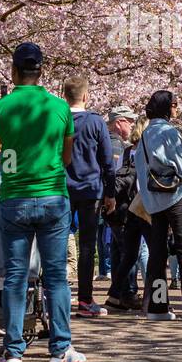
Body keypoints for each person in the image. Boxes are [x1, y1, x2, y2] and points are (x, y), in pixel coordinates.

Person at [0, 42, 86, 362]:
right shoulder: (60, 108)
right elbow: (66, 157)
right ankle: (61, 348)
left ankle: (13, 350)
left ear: (13, 71)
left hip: (14, 199)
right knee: (56, 276)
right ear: (42, 71)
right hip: (53, 197)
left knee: (15, 276)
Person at [135, 90, 182, 323]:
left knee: (157, 254)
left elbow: (140, 166)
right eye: (174, 104)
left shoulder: (145, 134)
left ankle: (158, 306)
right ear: (166, 107)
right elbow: (181, 163)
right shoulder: (169, 132)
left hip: (153, 200)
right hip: (174, 197)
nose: (176, 108)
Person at [62, 76, 115, 318]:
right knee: (87, 246)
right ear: (85, 96)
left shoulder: (59, 120)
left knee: (56, 242)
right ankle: (85, 299)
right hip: (91, 189)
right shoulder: (95, 122)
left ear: (65, 96)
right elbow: (107, 161)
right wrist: (110, 192)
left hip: (61, 187)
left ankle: (54, 297)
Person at [105, 108, 148, 311]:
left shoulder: (124, 147)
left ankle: (118, 293)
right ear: (119, 121)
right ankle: (127, 292)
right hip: (124, 206)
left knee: (120, 250)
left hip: (120, 207)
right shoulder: (117, 146)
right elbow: (115, 177)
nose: (131, 125)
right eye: (128, 121)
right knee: (129, 251)